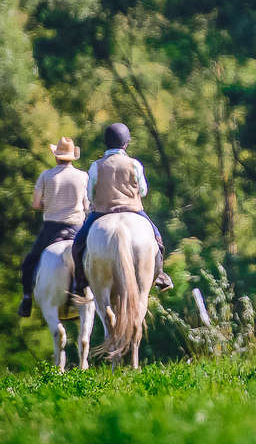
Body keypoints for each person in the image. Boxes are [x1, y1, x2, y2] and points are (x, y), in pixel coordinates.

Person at [69, 122, 174, 300]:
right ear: (126, 143)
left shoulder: (96, 166)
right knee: (157, 239)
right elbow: (143, 191)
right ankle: (160, 275)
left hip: (102, 212)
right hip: (133, 210)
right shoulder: (134, 164)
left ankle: (80, 282)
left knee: (78, 243)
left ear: (106, 143)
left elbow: (90, 194)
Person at [17, 136, 88, 318]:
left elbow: (36, 204)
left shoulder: (46, 176)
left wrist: (48, 204)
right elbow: (87, 205)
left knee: (29, 262)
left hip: (51, 229)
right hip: (76, 229)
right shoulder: (83, 176)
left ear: (56, 156)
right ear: (72, 157)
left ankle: (26, 299)